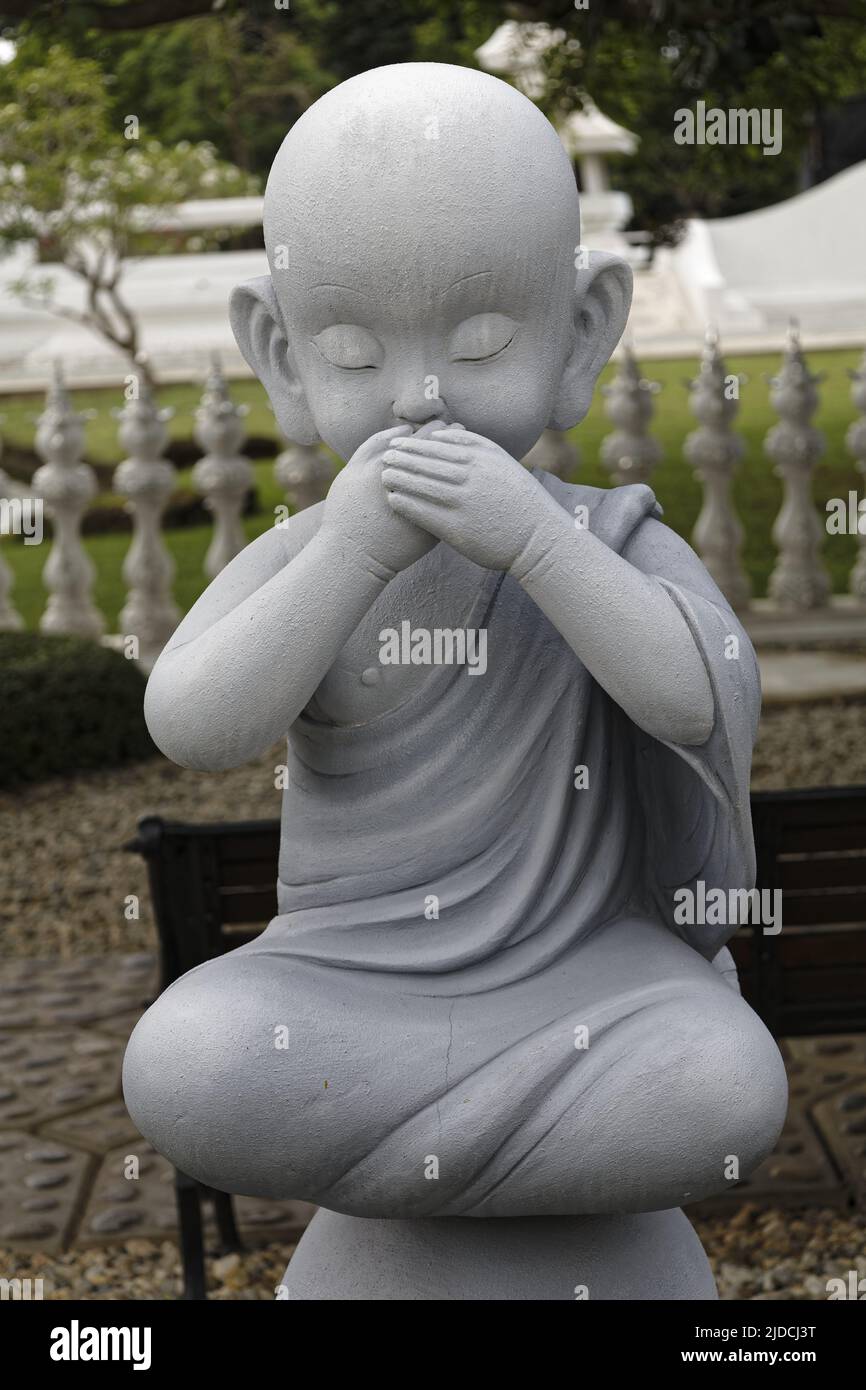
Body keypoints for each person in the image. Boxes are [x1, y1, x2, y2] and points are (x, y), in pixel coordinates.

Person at [123, 63, 787, 1223]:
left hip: (591, 976)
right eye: (352, 352)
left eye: (480, 342)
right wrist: (348, 559)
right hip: (341, 975)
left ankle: (430, 1148)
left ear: (579, 336)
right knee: (187, 1057)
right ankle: (507, 1144)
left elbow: (697, 695)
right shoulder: (311, 553)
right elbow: (191, 722)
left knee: (724, 1081)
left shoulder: (604, 536)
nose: (416, 399)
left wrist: (537, 545)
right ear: (280, 359)